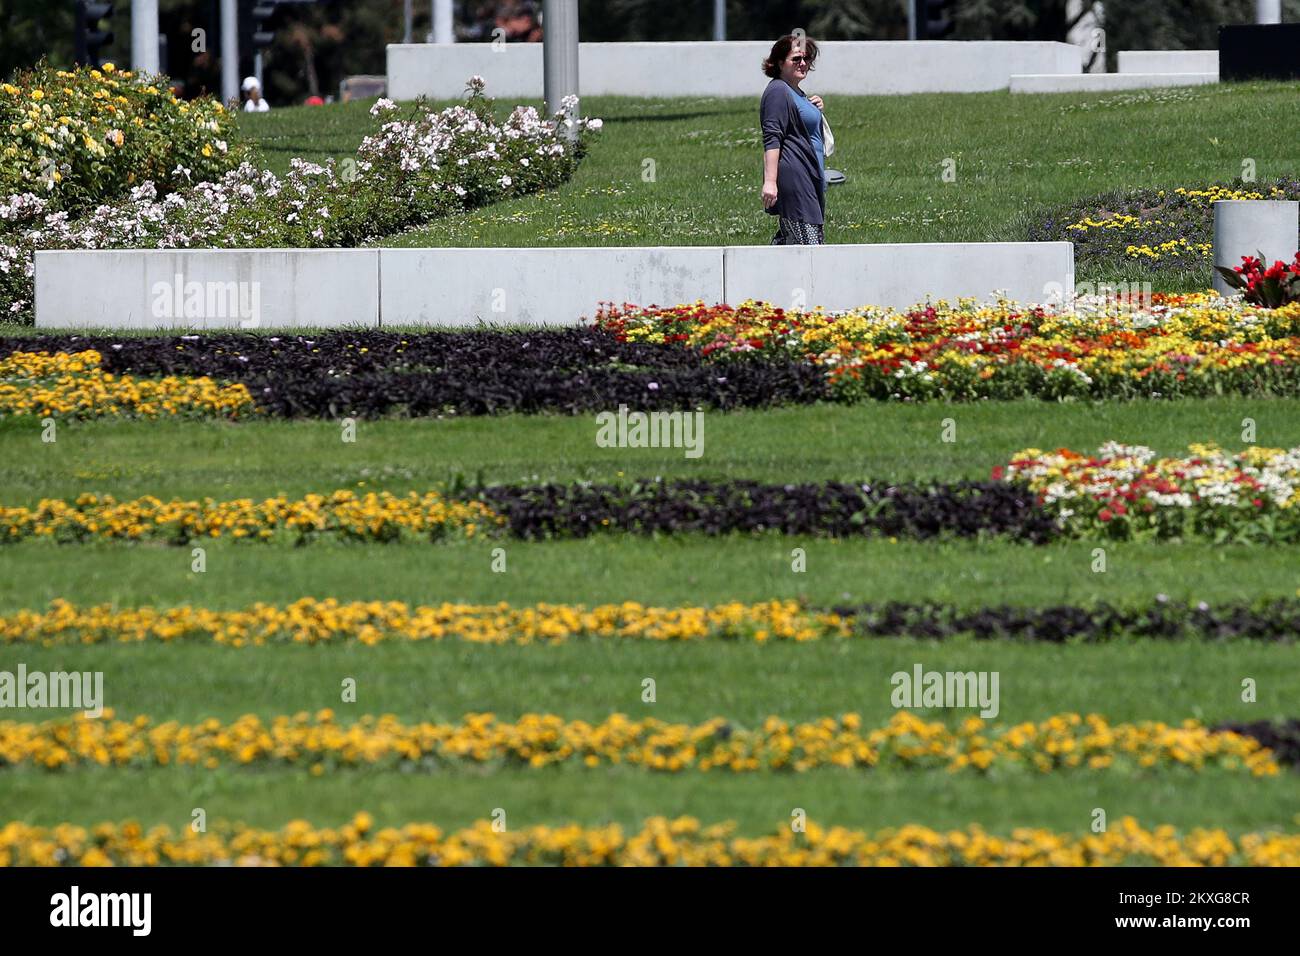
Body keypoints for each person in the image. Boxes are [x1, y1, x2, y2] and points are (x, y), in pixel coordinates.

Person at [759, 35, 826, 245]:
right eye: (796, 59)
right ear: (780, 62)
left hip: (808, 176)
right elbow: (772, 138)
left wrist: (814, 107)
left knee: (792, 241)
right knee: (811, 246)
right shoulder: (778, 91)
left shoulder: (796, 93)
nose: (803, 63)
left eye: (807, 58)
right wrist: (770, 182)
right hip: (796, 177)